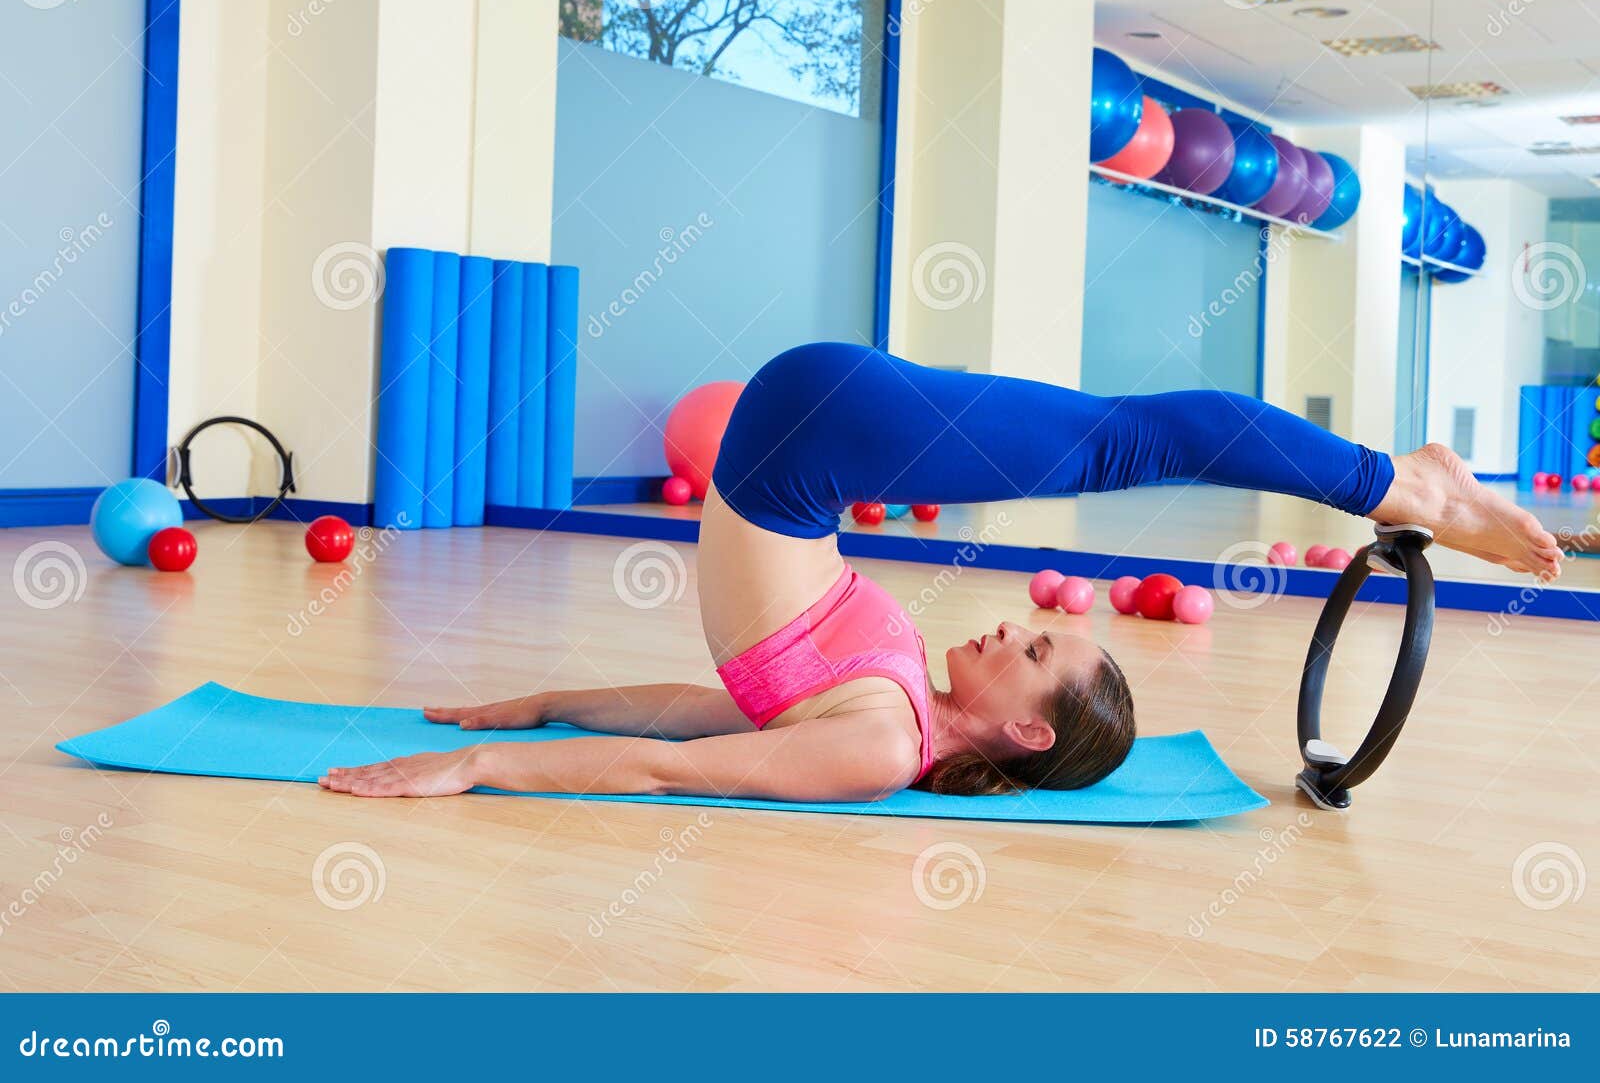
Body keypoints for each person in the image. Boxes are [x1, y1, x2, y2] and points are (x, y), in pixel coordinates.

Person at [320, 342, 1560, 801]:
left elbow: (672, 756)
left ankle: (1417, 488)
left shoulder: (871, 747)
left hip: (805, 436)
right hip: (812, 429)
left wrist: (489, 758)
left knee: (1145, 433)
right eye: (1042, 630)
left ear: (1022, 734)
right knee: (1129, 430)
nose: (1021, 625)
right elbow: (714, 713)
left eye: (1034, 655)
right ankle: (1409, 480)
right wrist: (536, 699)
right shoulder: (893, 698)